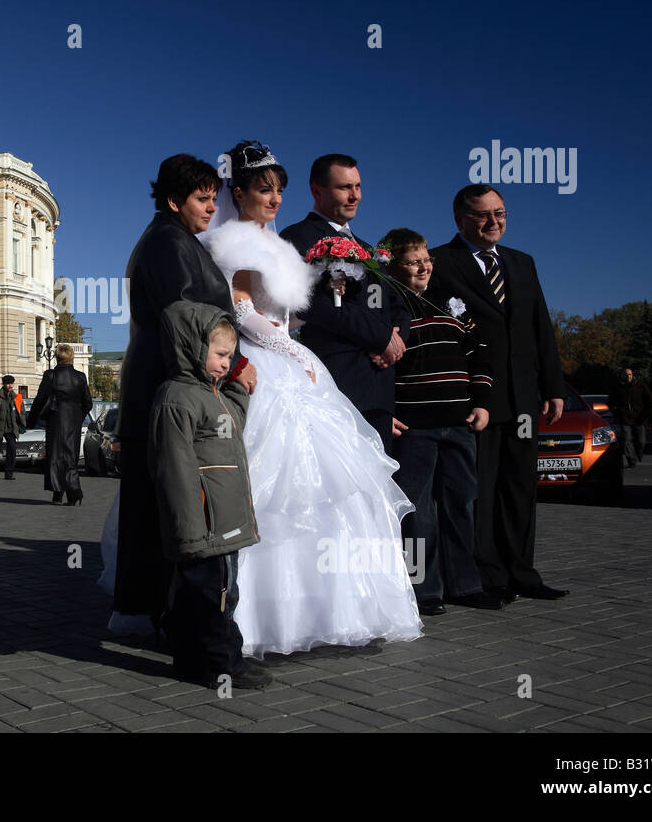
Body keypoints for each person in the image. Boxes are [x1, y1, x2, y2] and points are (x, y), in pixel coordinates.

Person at [201, 141, 422, 656]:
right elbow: (239, 309)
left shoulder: (279, 244)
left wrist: (312, 311)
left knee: (337, 481)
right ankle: (261, 616)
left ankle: (331, 606)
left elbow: (289, 310)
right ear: (239, 192)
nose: (274, 199)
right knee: (274, 486)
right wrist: (285, 345)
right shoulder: (230, 243)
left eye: (278, 189)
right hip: (262, 359)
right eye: (263, 189)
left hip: (291, 354)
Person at [115, 154, 256, 628]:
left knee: (157, 518)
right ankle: (185, 630)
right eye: (201, 198)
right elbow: (188, 322)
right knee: (176, 516)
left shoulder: (173, 239)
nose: (211, 207)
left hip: (159, 392)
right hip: (168, 394)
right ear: (174, 200)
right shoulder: (168, 244)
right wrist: (235, 366)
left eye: (214, 197)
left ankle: (157, 618)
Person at [427, 185, 569, 602]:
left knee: (520, 488)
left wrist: (553, 387)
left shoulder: (522, 263)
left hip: (523, 398)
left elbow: (540, 326)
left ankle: (522, 572)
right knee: (480, 490)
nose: (494, 222)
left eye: (501, 213)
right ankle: (486, 577)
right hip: (476, 398)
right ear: (460, 219)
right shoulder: (439, 263)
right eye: (483, 215)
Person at [381, 227, 503, 615]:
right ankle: (423, 591)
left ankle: (465, 585)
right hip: (416, 425)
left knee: (461, 503)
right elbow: (380, 367)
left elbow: (479, 354)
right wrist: (387, 412)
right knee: (417, 510)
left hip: (459, 421)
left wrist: (482, 402)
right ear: (392, 265)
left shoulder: (451, 303)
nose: (423, 267)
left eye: (426, 260)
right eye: (413, 261)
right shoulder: (387, 306)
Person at [151, 301, 270, 689]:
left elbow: (231, 424)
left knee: (206, 596)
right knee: (216, 599)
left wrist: (237, 384)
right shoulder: (178, 397)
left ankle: (190, 662)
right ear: (191, 346)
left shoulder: (211, 393)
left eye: (230, 357)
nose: (225, 363)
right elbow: (175, 470)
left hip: (222, 523)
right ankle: (225, 667)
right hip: (204, 526)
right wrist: (191, 532)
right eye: (220, 355)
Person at [279, 154, 410, 452]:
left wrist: (395, 342)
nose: (355, 196)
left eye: (358, 187)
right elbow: (313, 304)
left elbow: (397, 305)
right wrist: (379, 338)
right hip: (336, 382)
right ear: (317, 191)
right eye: (344, 188)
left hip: (380, 385)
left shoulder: (368, 249)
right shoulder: (297, 238)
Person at [27, 343, 93, 505]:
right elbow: (88, 403)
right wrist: (78, 415)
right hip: (74, 421)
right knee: (70, 456)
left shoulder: (51, 375)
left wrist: (31, 420)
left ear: (57, 358)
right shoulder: (80, 377)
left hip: (56, 419)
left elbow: (40, 399)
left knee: (55, 457)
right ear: (71, 357)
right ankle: (71, 494)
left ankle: (64, 492)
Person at [610, 368, 652, 467]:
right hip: (624, 419)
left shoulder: (640, 386)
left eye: (629, 374)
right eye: (625, 374)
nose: (628, 376)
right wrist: (615, 410)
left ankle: (639, 452)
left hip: (639, 418)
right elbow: (611, 402)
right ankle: (631, 460)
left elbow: (650, 398)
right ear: (622, 376)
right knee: (627, 440)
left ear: (632, 375)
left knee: (641, 441)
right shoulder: (617, 388)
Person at [0, 376, 25, 479]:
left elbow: (22, 413)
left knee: (12, 449)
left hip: (11, 428)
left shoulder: (17, 397)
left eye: (11, 383)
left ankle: (9, 473)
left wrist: (22, 425)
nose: (10, 385)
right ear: (3, 384)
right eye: (8, 383)